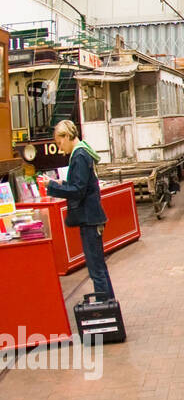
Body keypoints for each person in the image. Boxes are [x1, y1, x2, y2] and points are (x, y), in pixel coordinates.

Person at [45, 120, 115, 301]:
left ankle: (104, 311)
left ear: (67, 136)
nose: (60, 148)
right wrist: (64, 184)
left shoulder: (79, 156)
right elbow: (80, 186)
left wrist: (52, 186)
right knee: (99, 269)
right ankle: (108, 307)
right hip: (91, 218)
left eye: (60, 143)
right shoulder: (83, 153)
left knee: (96, 270)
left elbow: (78, 191)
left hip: (89, 219)